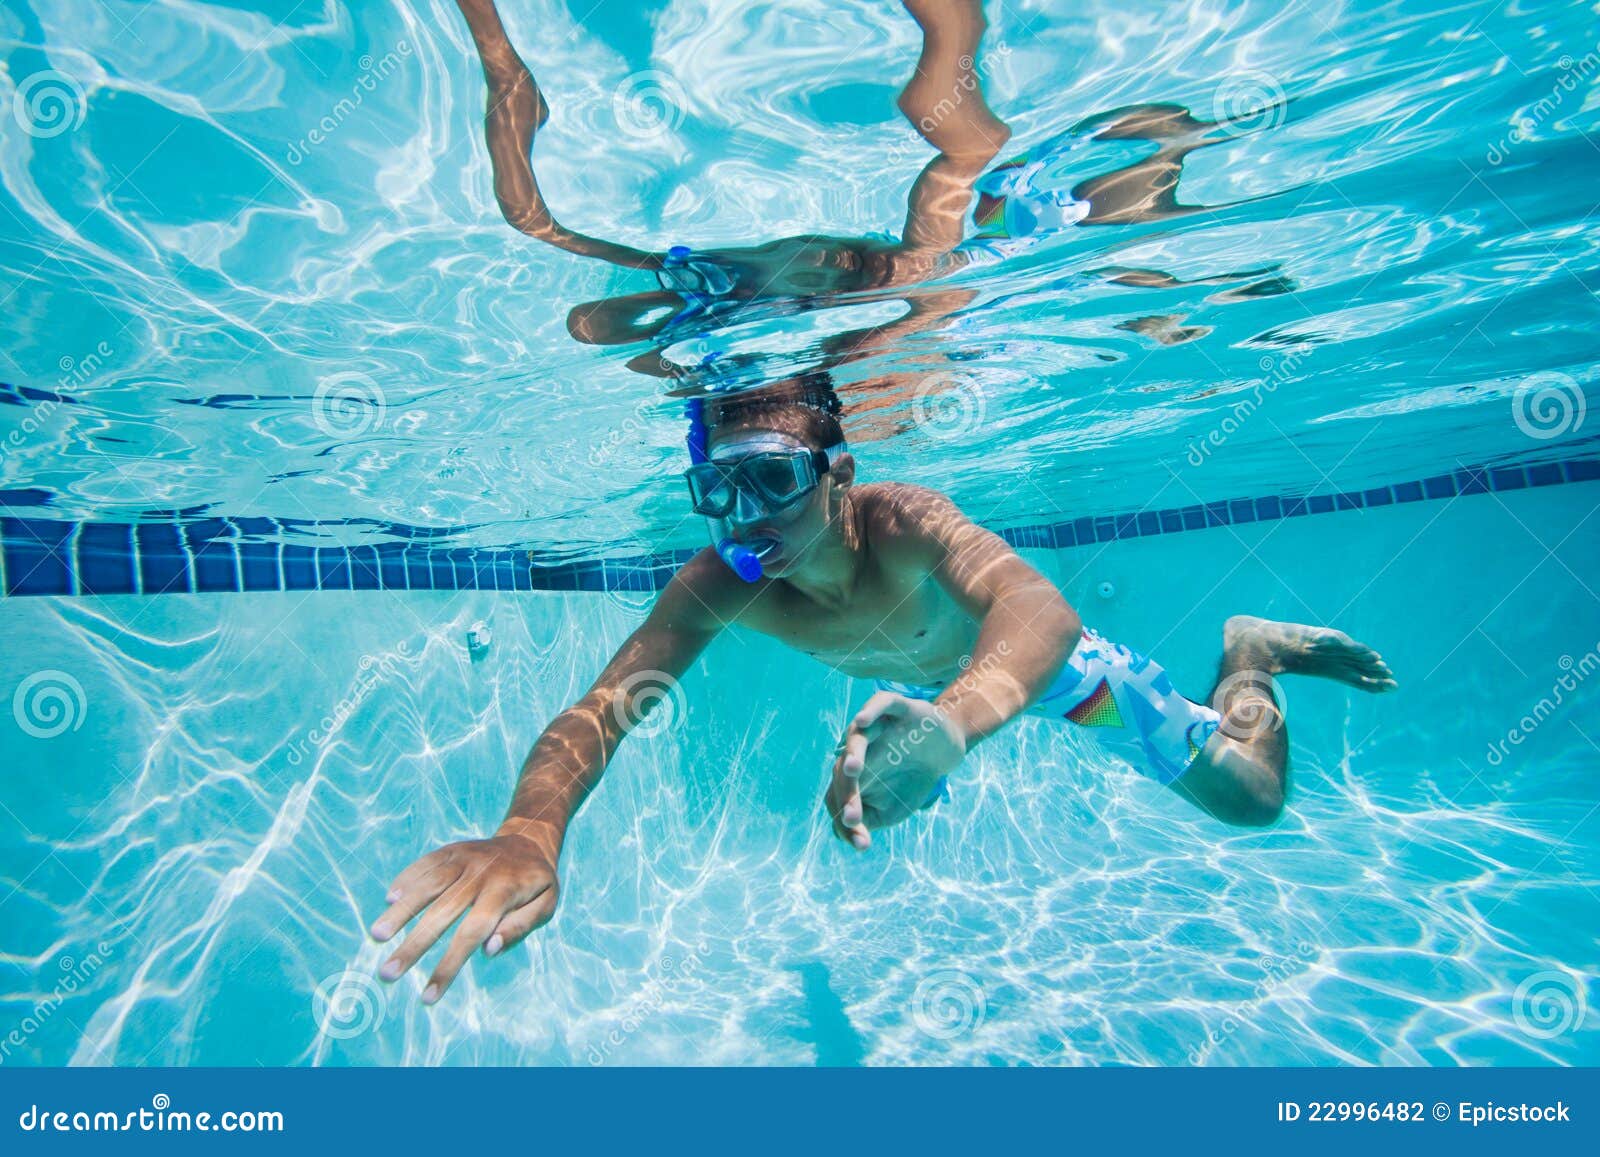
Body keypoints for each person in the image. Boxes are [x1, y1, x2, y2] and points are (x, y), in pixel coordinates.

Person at [371, 377, 1396, 1004]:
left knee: (1252, 800)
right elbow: (603, 709)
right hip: (937, 696)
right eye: (717, 490)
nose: (744, 518)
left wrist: (955, 720)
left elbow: (1037, 614)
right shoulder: (725, 580)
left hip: (1025, 677)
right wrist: (529, 830)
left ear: (836, 471)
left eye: (770, 478)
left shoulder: (903, 522)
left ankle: (1250, 651)